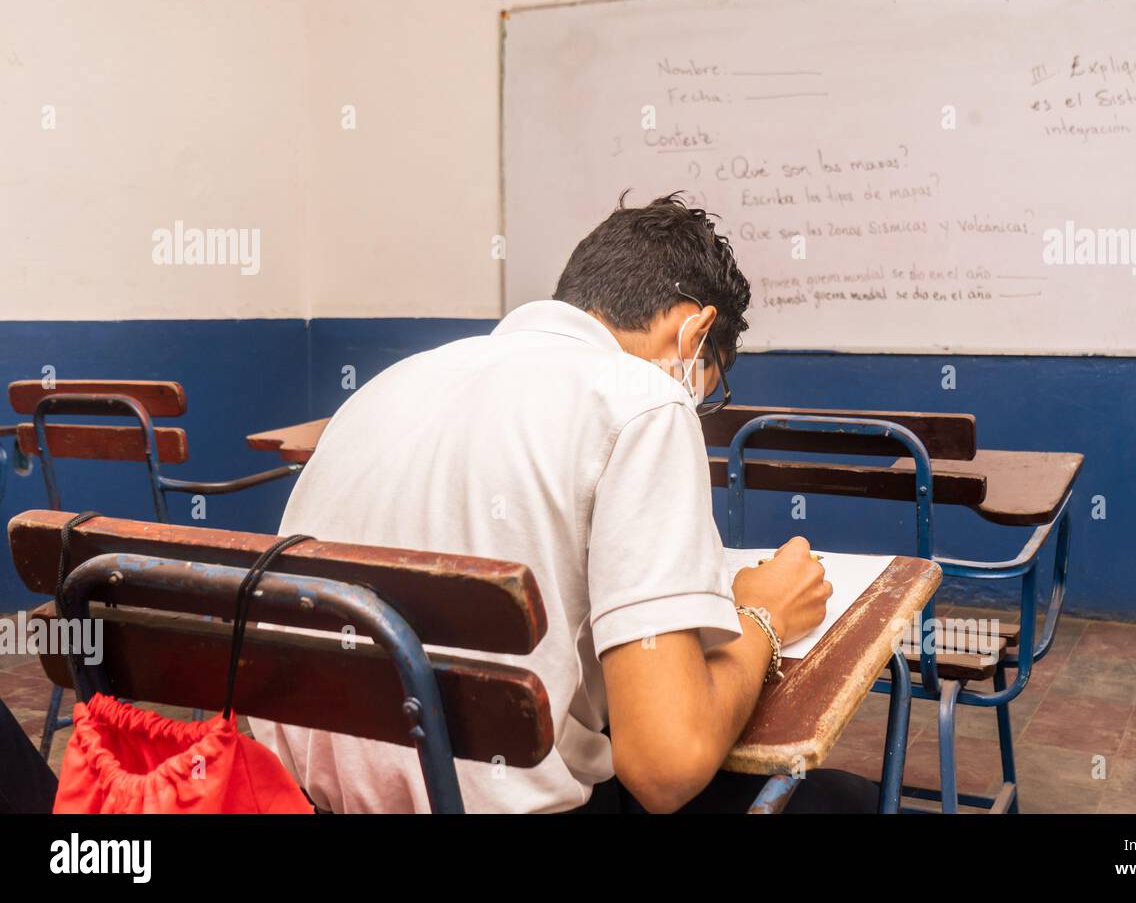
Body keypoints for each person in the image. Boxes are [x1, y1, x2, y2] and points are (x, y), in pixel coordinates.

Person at [250, 193, 879, 813]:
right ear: (694, 330)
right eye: (706, 388)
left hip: (303, 795)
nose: (694, 406)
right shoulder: (643, 401)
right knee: (846, 801)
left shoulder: (388, 385)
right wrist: (761, 618)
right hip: (490, 800)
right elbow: (665, 766)